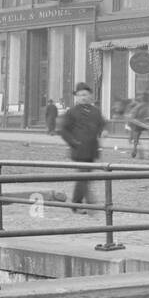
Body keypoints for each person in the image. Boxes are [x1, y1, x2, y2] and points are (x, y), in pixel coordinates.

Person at [59, 83, 106, 213]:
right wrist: (73, 142)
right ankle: (78, 204)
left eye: (85, 95)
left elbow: (101, 125)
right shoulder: (72, 112)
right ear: (76, 98)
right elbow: (63, 130)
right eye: (79, 95)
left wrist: (103, 131)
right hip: (79, 150)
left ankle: (81, 202)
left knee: (84, 176)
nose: (82, 98)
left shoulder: (95, 111)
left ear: (90, 96)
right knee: (83, 176)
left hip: (91, 150)